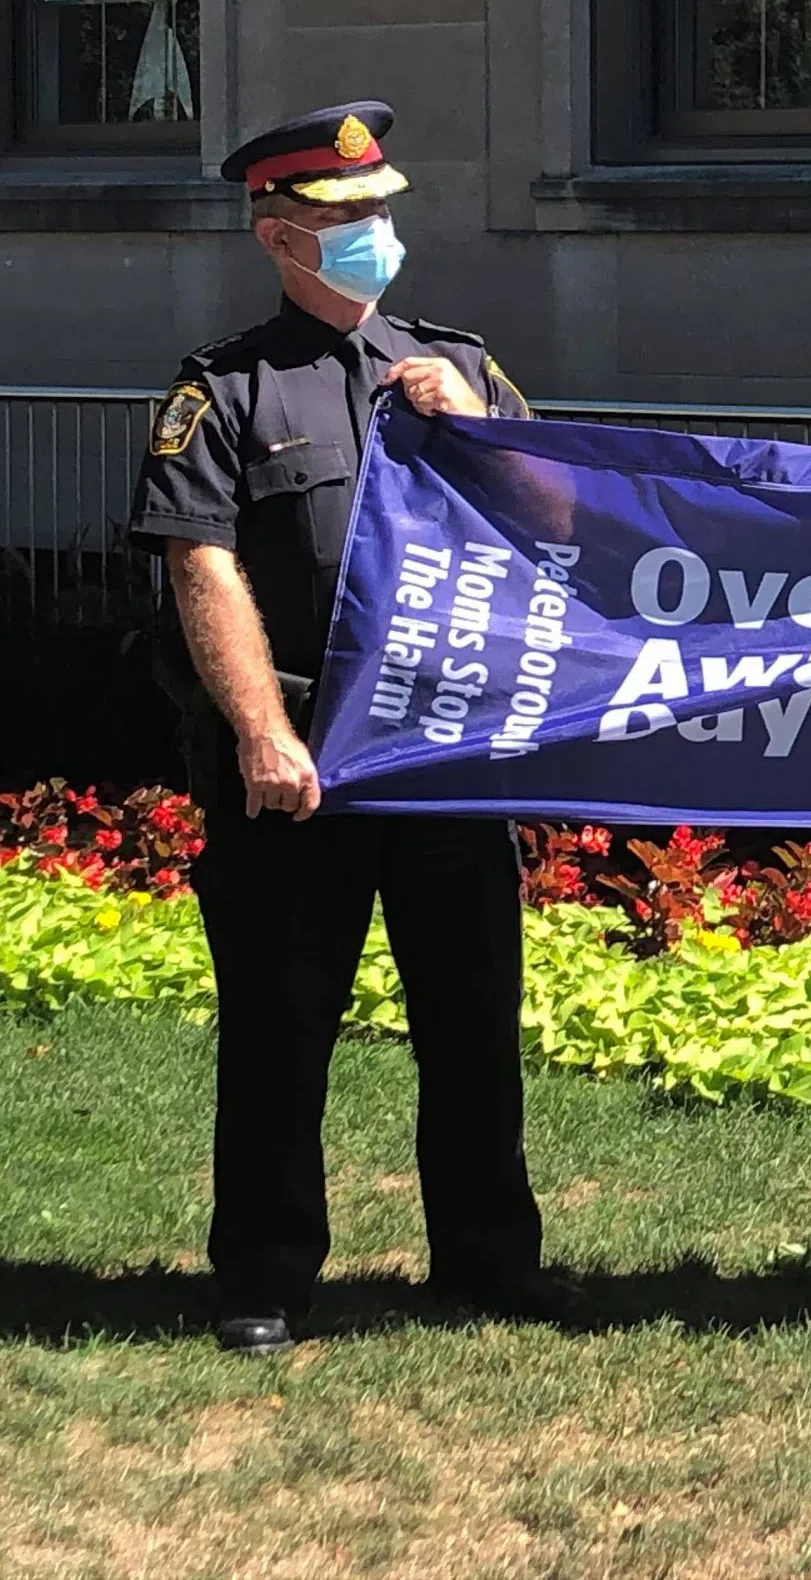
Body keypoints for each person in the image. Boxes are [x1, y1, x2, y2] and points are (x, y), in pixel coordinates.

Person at [128, 102, 571, 1354]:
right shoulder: (222, 389)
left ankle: (489, 1259)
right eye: (344, 219)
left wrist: (473, 431)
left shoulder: (463, 364)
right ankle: (265, 1275)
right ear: (280, 234)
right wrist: (263, 732)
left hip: (440, 757)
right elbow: (199, 568)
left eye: (381, 211)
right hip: (303, 761)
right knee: (280, 1024)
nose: (376, 233)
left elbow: (562, 522)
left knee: (474, 1020)